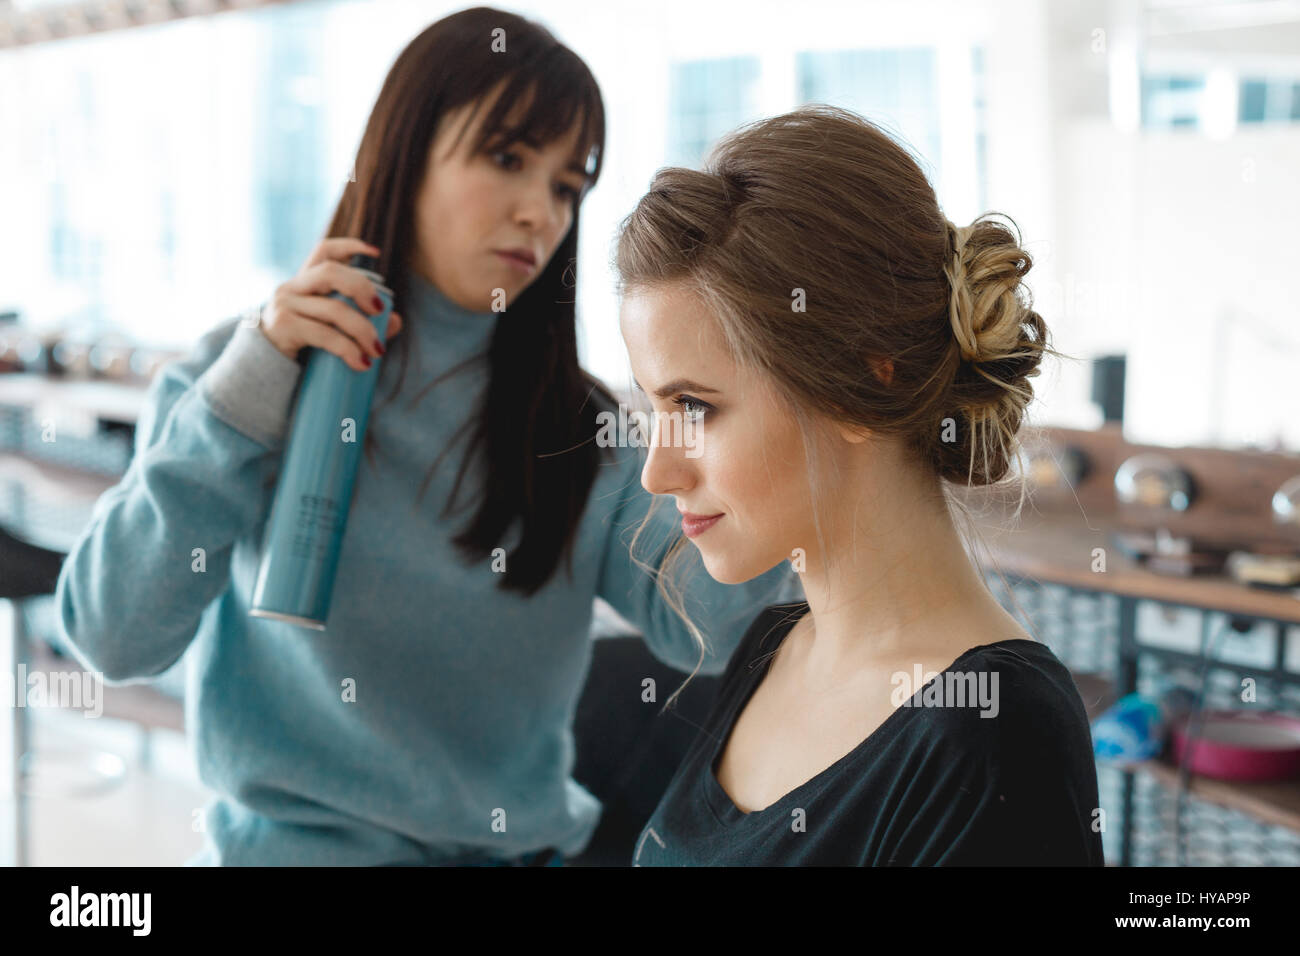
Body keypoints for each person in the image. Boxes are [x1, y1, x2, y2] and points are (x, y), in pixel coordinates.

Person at [53, 7, 797, 866]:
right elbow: (113, 639)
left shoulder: (578, 432)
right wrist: (243, 398)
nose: (538, 212)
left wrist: (770, 426)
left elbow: (709, 627)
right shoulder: (250, 376)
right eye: (507, 158)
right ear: (399, 155)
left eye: (566, 185)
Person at [614, 104, 1104, 865]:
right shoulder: (770, 645)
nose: (658, 470)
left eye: (696, 407)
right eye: (652, 408)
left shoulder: (993, 731)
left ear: (856, 382)